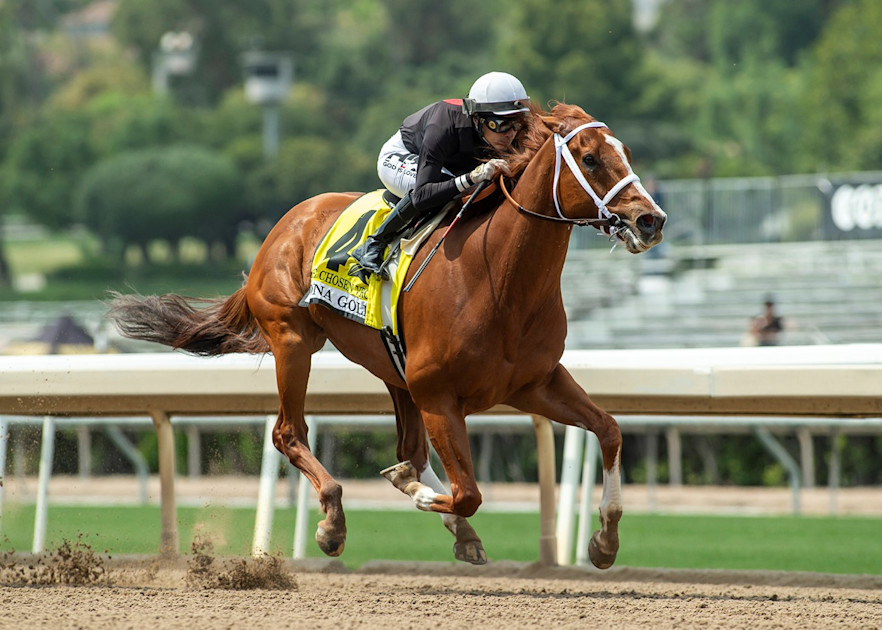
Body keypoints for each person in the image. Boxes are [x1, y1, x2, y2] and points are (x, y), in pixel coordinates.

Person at [350, 71, 531, 280]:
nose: (510, 134)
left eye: (516, 124)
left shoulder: (511, 132)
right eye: (501, 124)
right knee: (444, 191)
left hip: (447, 165)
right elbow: (422, 195)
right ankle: (373, 243)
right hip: (402, 156)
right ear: (476, 118)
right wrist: (472, 177)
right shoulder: (442, 125)